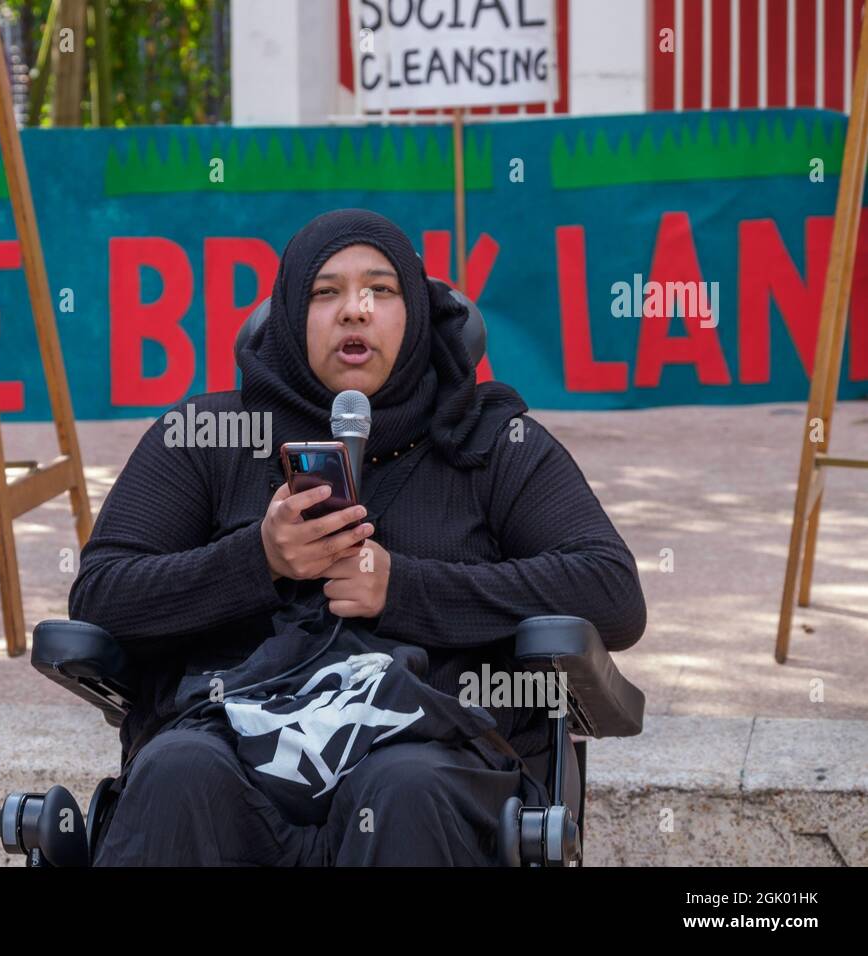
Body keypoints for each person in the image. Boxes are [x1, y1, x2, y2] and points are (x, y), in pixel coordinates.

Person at [68, 208, 647, 866]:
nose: (355, 310)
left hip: (431, 752)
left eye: (381, 289)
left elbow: (611, 592)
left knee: (403, 787)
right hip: (229, 736)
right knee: (180, 774)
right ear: (289, 314)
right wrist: (257, 561)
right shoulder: (206, 436)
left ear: (419, 317)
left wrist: (403, 589)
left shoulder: (491, 443)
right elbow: (101, 596)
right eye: (325, 292)